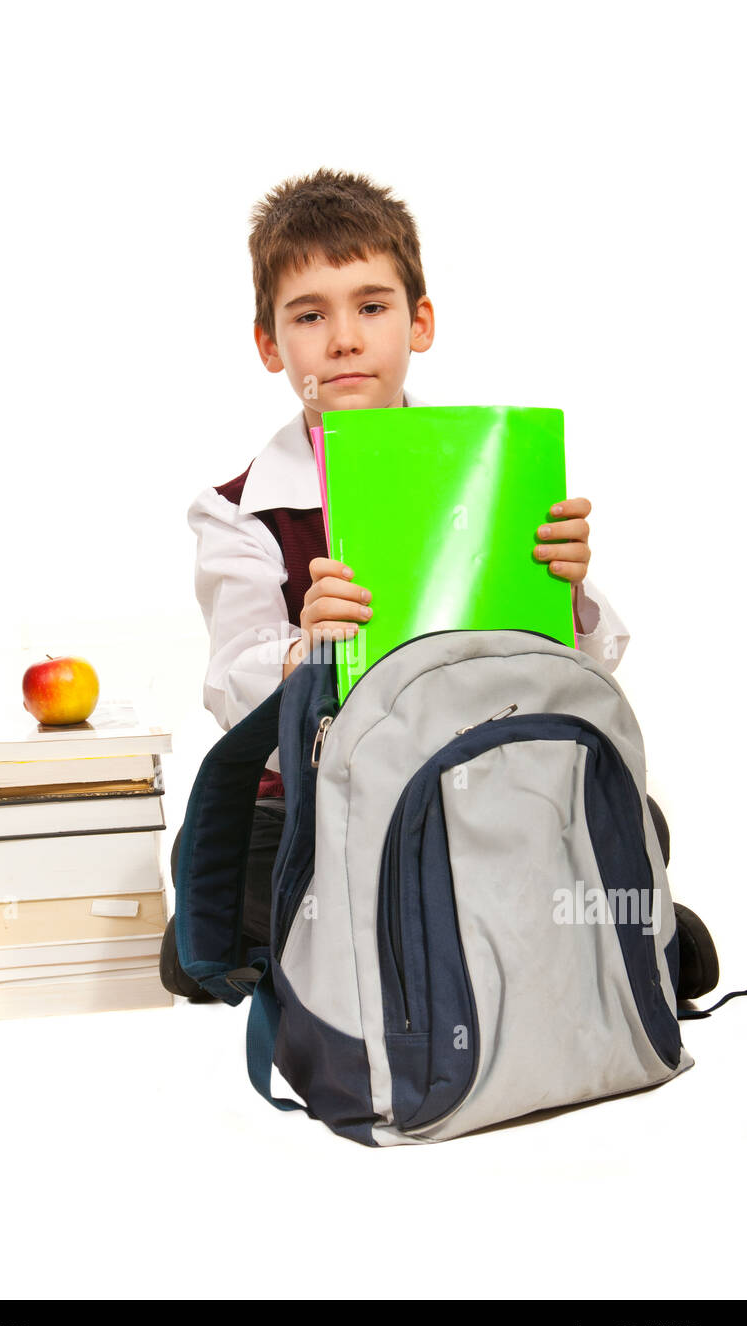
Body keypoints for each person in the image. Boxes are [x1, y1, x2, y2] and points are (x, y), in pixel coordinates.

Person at [160, 166, 706, 1003]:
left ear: (420, 323)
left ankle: (427, 937)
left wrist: (568, 586)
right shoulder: (240, 511)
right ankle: (526, 929)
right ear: (272, 344)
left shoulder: (489, 470)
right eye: (310, 316)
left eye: (372, 307)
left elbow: (577, 669)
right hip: (321, 809)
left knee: (637, 822)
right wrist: (307, 650)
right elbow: (234, 688)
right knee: (232, 858)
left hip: (465, 785)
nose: (343, 339)